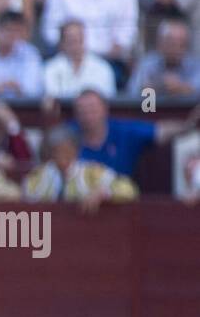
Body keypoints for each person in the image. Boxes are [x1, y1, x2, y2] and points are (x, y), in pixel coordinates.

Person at [71, 87, 200, 177]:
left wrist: (189, 125)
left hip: (121, 202)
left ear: (105, 109)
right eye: (82, 111)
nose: (88, 116)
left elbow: (161, 131)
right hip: (76, 204)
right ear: (76, 114)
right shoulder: (68, 134)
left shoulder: (124, 131)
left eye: (92, 109)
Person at [24, 123, 137, 208]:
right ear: (51, 153)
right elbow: (25, 201)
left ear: (76, 151)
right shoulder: (38, 176)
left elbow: (129, 189)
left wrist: (103, 193)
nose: (62, 158)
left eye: (67, 152)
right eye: (57, 152)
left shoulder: (92, 172)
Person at [42, 18, 117, 100]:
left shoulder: (102, 68)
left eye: (78, 37)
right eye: (70, 38)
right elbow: (52, 100)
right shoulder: (50, 68)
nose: (75, 42)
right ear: (61, 43)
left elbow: (107, 100)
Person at [130, 19, 200, 98]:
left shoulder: (196, 65)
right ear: (160, 43)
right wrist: (159, 85)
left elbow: (197, 89)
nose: (176, 49)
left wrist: (180, 87)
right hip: (151, 109)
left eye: (182, 44)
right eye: (172, 43)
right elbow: (132, 91)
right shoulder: (147, 64)